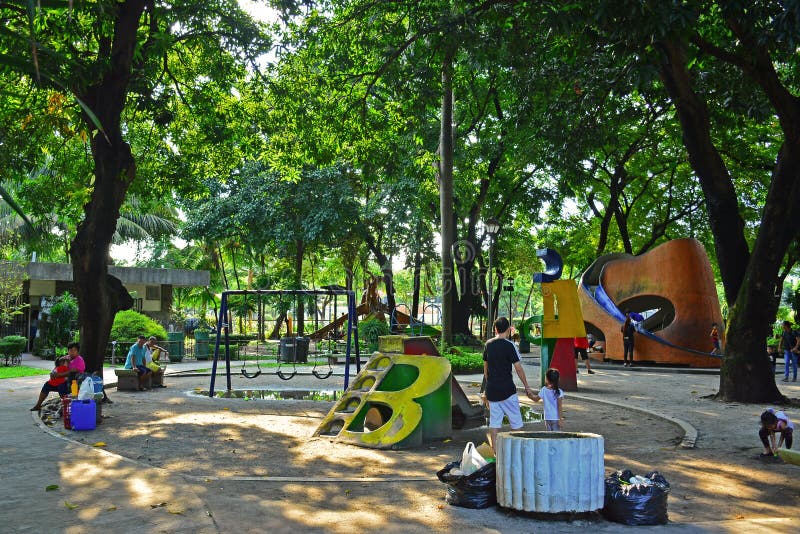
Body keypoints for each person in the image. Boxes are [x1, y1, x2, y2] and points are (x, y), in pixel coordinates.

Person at [481, 316, 535, 451]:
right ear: (509, 330)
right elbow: (518, 368)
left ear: (495, 329)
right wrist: (527, 386)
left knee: (494, 424)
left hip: (493, 391)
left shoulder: (488, 344)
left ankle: (495, 454)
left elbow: (485, 369)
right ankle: (518, 452)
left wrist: (489, 385)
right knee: (516, 423)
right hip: (508, 390)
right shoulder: (510, 345)